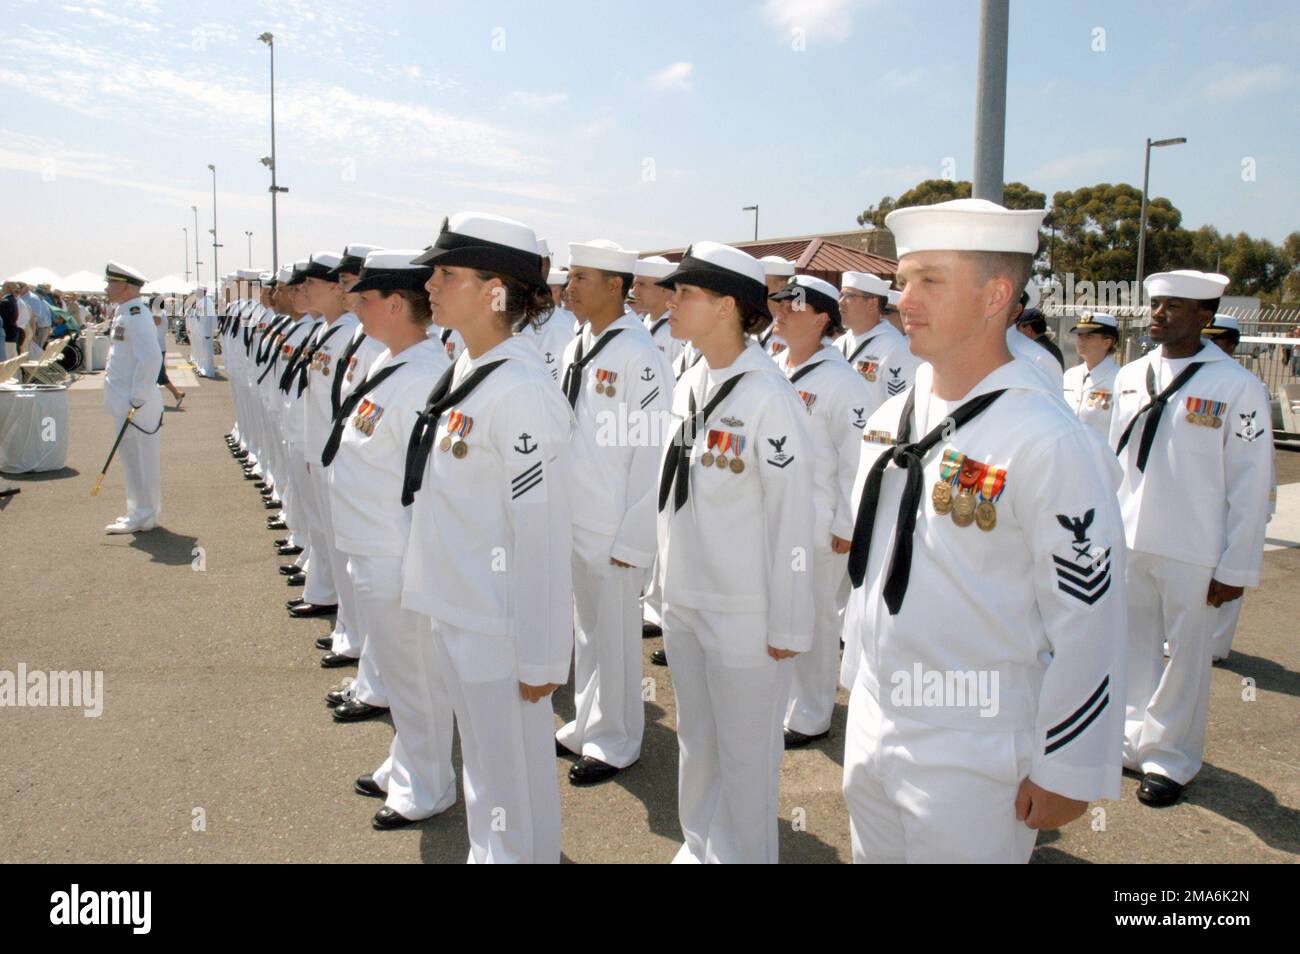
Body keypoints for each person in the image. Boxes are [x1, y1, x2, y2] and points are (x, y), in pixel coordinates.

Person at [842, 198, 1127, 863]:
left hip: (974, 742)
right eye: (903, 278)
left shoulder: (1047, 440)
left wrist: (1068, 766)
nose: (903, 298)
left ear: (997, 294)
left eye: (929, 281)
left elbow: (1091, 616)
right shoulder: (895, 413)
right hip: (876, 714)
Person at [400, 211, 575, 863]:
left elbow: (543, 533)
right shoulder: (467, 371)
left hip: (499, 627)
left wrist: (540, 656)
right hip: (460, 612)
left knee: (512, 784)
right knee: (488, 779)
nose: (432, 285)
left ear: (495, 289)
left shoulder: (522, 392)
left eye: (447, 273)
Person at [654, 240, 815, 863]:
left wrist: (789, 621)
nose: (672, 302)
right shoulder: (693, 377)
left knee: (746, 756)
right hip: (686, 595)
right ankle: (700, 848)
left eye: (685, 293)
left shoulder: (767, 395)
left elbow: (792, 516)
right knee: (698, 740)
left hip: (744, 610)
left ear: (726, 307)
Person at [1111, 271, 1273, 807]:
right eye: (1155, 305)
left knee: (1185, 658)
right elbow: (1113, 461)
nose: (1157, 315)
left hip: (1195, 546)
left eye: (1172, 307)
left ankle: (1170, 758)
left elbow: (1251, 485)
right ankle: (1131, 741)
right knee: (1131, 647)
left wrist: (1236, 566)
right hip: (1132, 535)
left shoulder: (1236, 386)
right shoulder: (1132, 375)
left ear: (1204, 317)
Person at [320, 250, 458, 828]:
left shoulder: (426, 376)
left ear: (397, 304)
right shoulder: (390, 361)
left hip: (396, 550)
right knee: (401, 672)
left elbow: (434, 486)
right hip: (368, 542)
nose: (356, 303)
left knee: (417, 674)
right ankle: (405, 762)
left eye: (367, 297)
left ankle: (427, 785)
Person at [554, 239, 672, 785]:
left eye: (582, 277)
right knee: (588, 632)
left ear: (615, 288)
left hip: (612, 523)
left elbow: (650, 454)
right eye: (570, 276)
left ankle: (616, 739)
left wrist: (635, 538)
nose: (570, 287)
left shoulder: (639, 355)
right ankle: (587, 722)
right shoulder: (580, 341)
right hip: (576, 515)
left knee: (618, 639)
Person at [768, 274, 870, 749]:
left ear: (823, 317)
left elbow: (857, 460)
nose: (782, 312)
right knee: (780, 611)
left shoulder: (842, 382)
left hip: (817, 523)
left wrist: (847, 524)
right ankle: (782, 700)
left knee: (815, 617)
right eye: (781, 304)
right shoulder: (775, 365)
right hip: (773, 519)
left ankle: (812, 710)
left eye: (795, 307)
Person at [102, 262, 164, 534]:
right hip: (126, 401)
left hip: (136, 403)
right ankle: (139, 512)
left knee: (140, 460)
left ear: (125, 287)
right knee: (132, 460)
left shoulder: (136, 315)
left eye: (110, 283)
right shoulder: (124, 313)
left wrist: (137, 398)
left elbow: (151, 358)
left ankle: (143, 514)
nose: (106, 288)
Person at [837, 270, 920, 413]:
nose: (841, 302)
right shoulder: (838, 344)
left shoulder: (894, 348)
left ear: (872, 303)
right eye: (841, 295)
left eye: (849, 296)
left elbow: (901, 409)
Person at [1061, 312, 1120, 438]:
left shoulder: (1119, 378)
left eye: (1089, 336)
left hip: (1100, 455)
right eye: (1080, 335)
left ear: (1107, 342)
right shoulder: (1070, 376)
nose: (1081, 341)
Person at [632, 256, 683, 367]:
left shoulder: (678, 332)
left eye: (641, 284)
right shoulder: (644, 323)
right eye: (634, 285)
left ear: (664, 288)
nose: (634, 292)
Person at [1015, 306, 1066, 370]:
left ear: (1029, 329)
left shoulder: (1032, 352)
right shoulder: (1054, 349)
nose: (1016, 332)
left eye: (1017, 327)